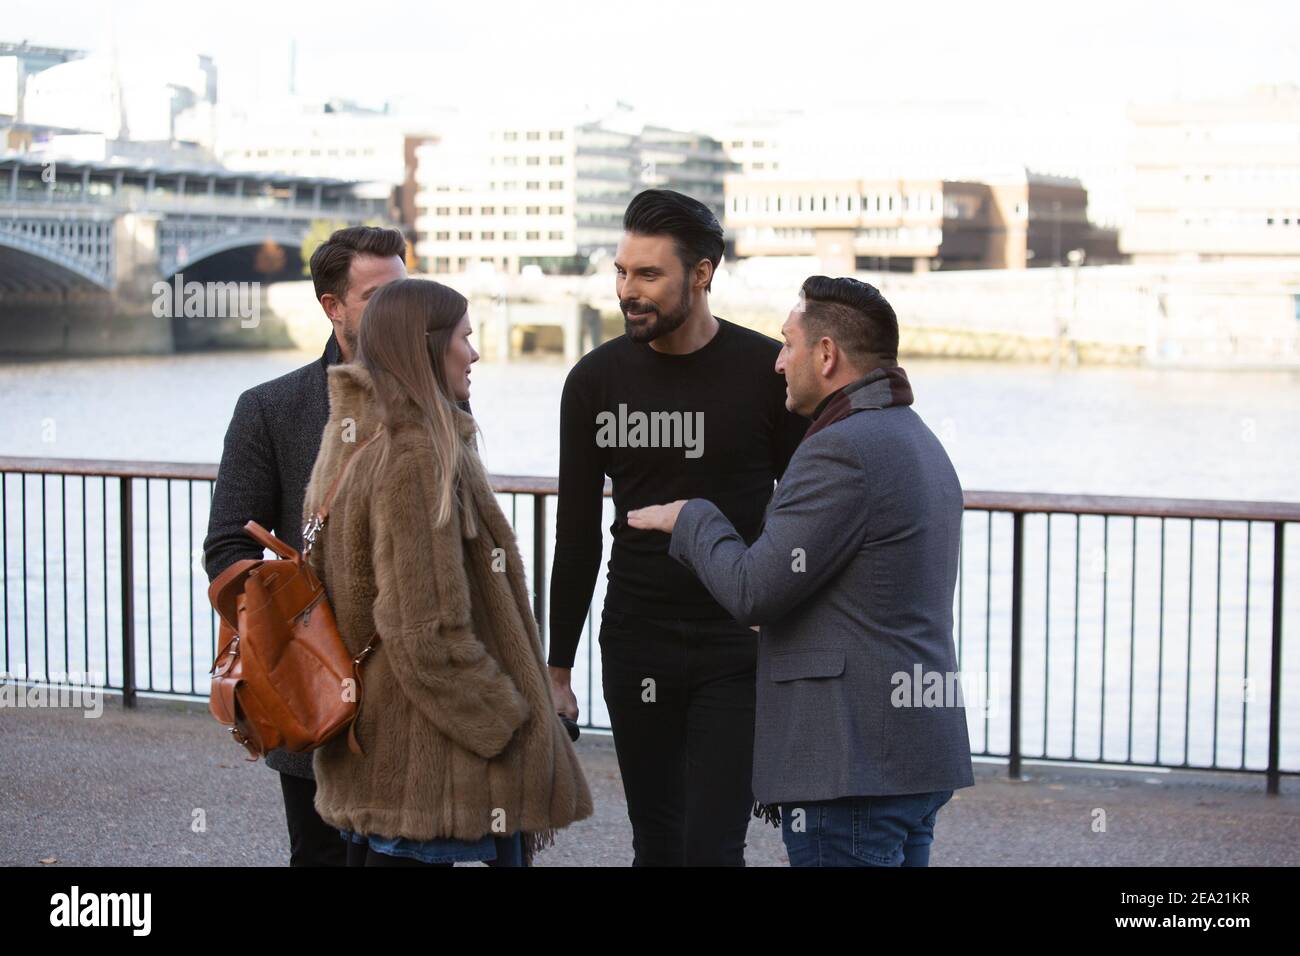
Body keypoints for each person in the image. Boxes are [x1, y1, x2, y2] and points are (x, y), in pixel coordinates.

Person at [629, 276, 975, 867]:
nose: (778, 363)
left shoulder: (840, 450)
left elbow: (753, 590)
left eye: (787, 344)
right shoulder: (916, 439)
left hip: (851, 766)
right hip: (912, 755)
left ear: (827, 354)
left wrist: (693, 517)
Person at [548, 189, 808, 865]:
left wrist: (786, 623)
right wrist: (557, 668)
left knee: (713, 847)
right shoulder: (594, 382)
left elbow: (806, 512)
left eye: (648, 275)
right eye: (622, 272)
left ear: (701, 273)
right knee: (658, 845)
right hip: (637, 639)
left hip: (736, 644)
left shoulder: (765, 373)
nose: (628, 291)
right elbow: (575, 536)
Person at [303, 277, 593, 867]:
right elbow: (424, 630)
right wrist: (509, 720)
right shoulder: (417, 455)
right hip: (437, 779)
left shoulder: (352, 439)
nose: (476, 352)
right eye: (465, 336)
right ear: (429, 346)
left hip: (378, 759)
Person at [203, 225, 407, 866]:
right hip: (313, 697)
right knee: (318, 860)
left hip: (414, 694)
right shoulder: (270, 406)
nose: (397, 312)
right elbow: (227, 547)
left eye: (405, 294)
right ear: (332, 306)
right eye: (378, 297)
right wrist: (292, 636)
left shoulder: (437, 400)